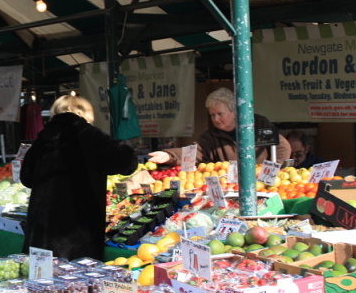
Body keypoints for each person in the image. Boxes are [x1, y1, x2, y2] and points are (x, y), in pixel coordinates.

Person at [20, 95, 136, 260]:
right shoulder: (91, 135)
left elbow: (26, 178)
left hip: (42, 230)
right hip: (76, 233)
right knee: (76, 280)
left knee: (43, 280)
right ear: (86, 114)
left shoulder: (42, 139)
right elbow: (126, 162)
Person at [148, 87, 291, 166]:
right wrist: (169, 155)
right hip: (231, 187)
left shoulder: (256, 123)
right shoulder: (210, 137)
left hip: (263, 183)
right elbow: (193, 152)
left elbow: (282, 146)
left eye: (220, 114)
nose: (216, 119)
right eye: (212, 115)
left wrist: (275, 169)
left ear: (234, 111)